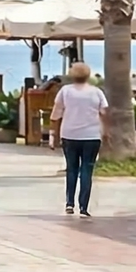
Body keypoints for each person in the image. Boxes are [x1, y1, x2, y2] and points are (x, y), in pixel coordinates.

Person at [50, 62, 109, 218]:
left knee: (72, 169)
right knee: (86, 170)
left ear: (72, 75)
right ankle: (84, 206)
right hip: (92, 135)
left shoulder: (65, 91)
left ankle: (70, 203)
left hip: (69, 135)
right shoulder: (97, 92)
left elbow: (56, 114)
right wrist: (106, 132)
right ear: (88, 76)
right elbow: (104, 113)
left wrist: (53, 135)